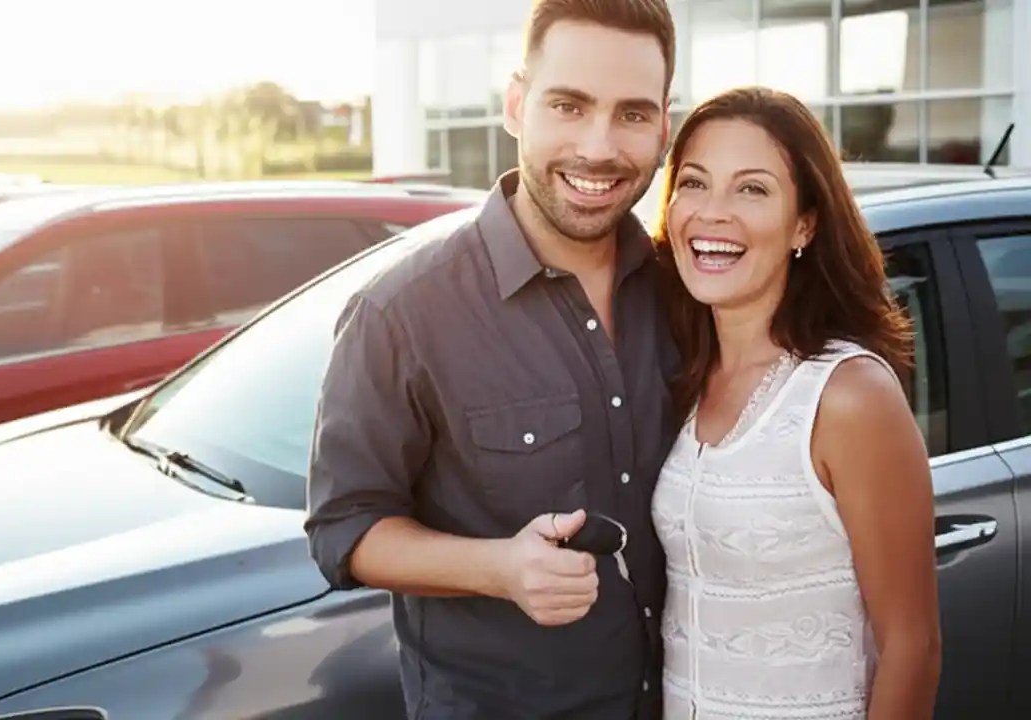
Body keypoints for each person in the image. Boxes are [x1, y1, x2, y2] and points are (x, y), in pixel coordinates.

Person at [303, 0, 680, 717]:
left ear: (664, 124)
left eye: (631, 114)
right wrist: (498, 568)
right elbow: (343, 529)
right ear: (516, 104)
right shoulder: (402, 313)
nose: (598, 148)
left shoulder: (683, 293)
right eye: (568, 106)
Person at [649, 86, 942, 719]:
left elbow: (912, 647)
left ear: (804, 224)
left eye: (751, 189)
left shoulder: (848, 396)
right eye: (694, 183)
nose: (712, 213)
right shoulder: (682, 376)